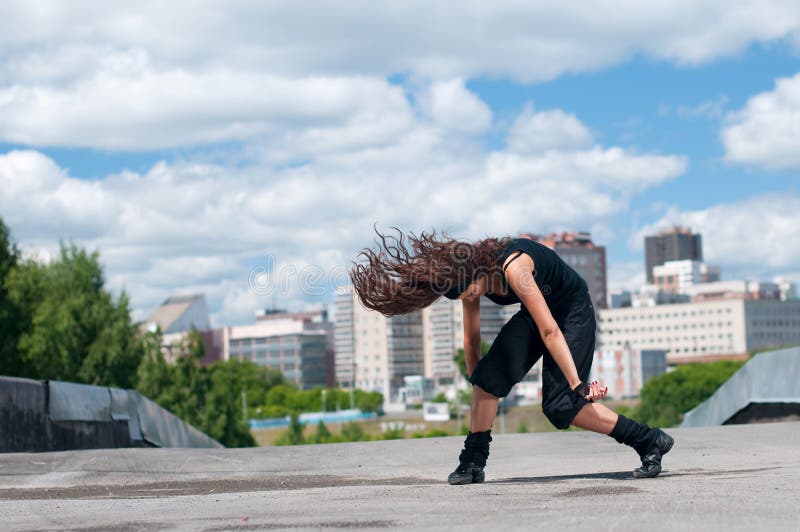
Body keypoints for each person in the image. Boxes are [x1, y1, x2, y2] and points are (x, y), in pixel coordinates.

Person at [350, 228, 673, 483]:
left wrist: (577, 385)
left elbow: (551, 331)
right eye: (464, 296)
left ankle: (648, 440)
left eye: (470, 292)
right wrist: (480, 381)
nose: (471, 297)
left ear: (477, 274)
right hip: (538, 316)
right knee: (489, 378)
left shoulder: (515, 267)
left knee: (561, 407)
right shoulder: (467, 276)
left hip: (571, 311)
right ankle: (472, 461)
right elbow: (472, 337)